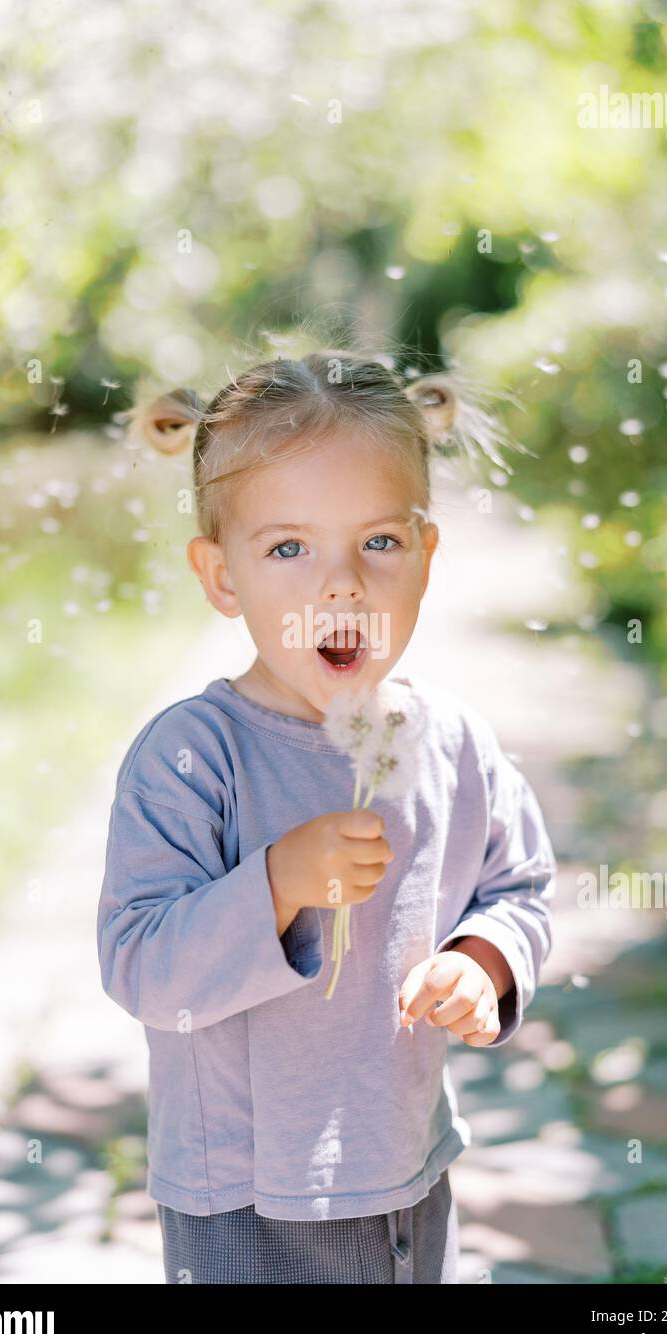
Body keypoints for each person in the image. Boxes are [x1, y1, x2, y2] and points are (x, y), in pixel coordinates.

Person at [95, 344, 557, 1284]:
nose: (339, 585)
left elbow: (519, 887)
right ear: (222, 576)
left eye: (378, 542)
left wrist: (483, 961)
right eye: (289, 549)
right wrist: (276, 882)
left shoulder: (453, 744)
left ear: (426, 558)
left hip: (408, 1171)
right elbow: (143, 967)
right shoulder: (192, 758)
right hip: (247, 1200)